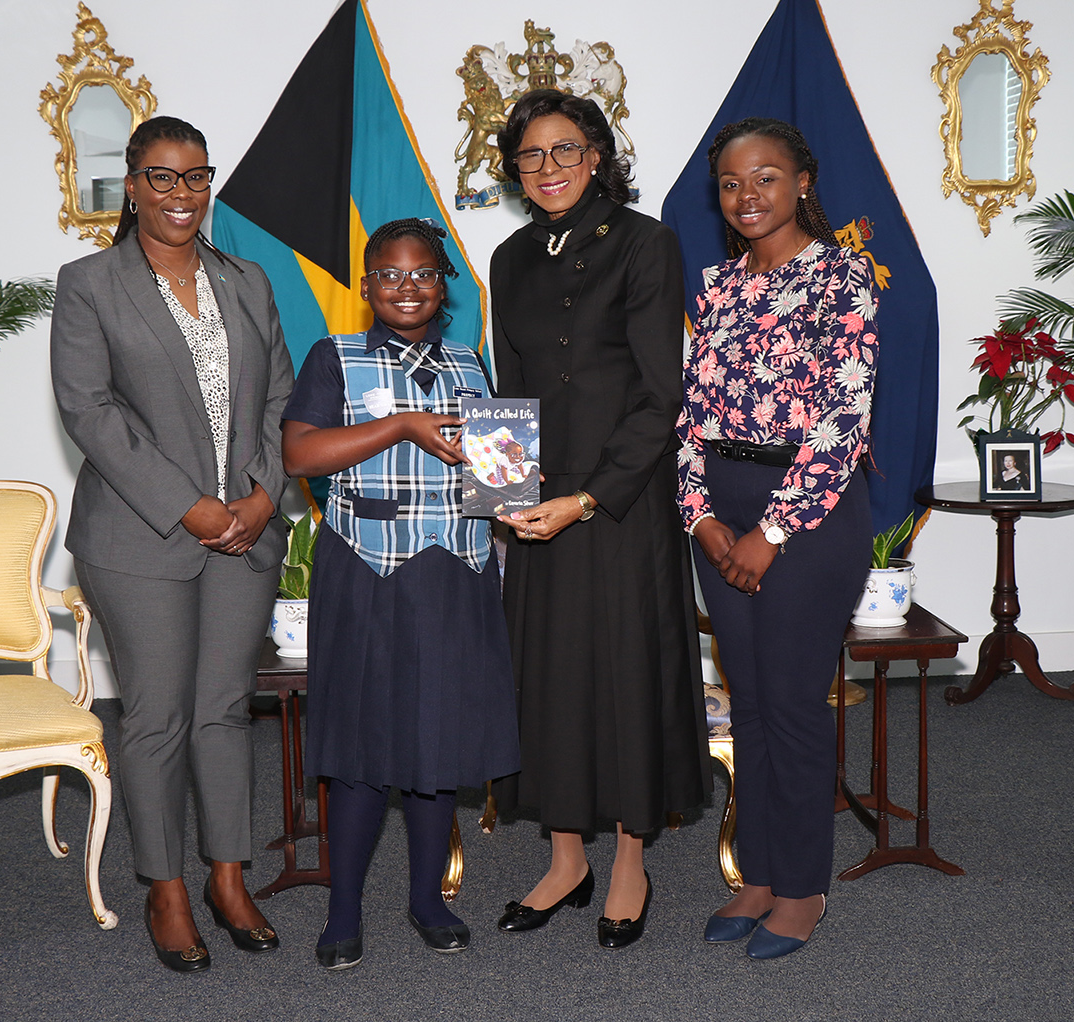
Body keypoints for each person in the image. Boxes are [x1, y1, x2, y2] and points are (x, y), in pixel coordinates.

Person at [50, 116, 294, 972]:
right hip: (140, 538)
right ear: (133, 185)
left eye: (196, 177)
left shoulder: (248, 281)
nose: (181, 194)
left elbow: (279, 395)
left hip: (247, 534)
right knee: (158, 718)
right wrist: (191, 506)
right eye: (162, 177)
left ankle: (229, 878)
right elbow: (92, 414)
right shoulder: (88, 284)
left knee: (225, 711)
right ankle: (166, 889)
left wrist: (264, 496)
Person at [489, 89, 711, 950]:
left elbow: (663, 397)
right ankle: (564, 858)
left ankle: (628, 860)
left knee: (624, 676)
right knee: (545, 675)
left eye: (566, 150)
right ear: (516, 168)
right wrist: (509, 494)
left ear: (597, 157)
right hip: (536, 500)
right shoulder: (508, 258)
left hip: (618, 502)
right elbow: (507, 389)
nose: (549, 169)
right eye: (531, 156)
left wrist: (587, 498)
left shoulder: (647, 244)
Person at [282, 218, 520, 970]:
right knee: (359, 746)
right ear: (366, 285)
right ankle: (343, 909)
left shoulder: (470, 363)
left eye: (423, 273)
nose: (406, 286)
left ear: (443, 283)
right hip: (366, 569)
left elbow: (500, 479)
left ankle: (427, 899)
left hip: (457, 570)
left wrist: (520, 499)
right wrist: (402, 427)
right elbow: (299, 452)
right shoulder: (335, 358)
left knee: (437, 742)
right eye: (389, 274)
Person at [676, 117, 879, 960]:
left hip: (810, 511)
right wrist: (702, 515)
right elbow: (689, 415)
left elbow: (841, 416)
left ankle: (801, 889)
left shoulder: (845, 277)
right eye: (730, 182)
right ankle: (756, 875)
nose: (747, 195)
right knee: (749, 703)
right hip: (721, 508)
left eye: (765, 177)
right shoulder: (718, 286)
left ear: (803, 181)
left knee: (794, 705)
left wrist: (770, 530)